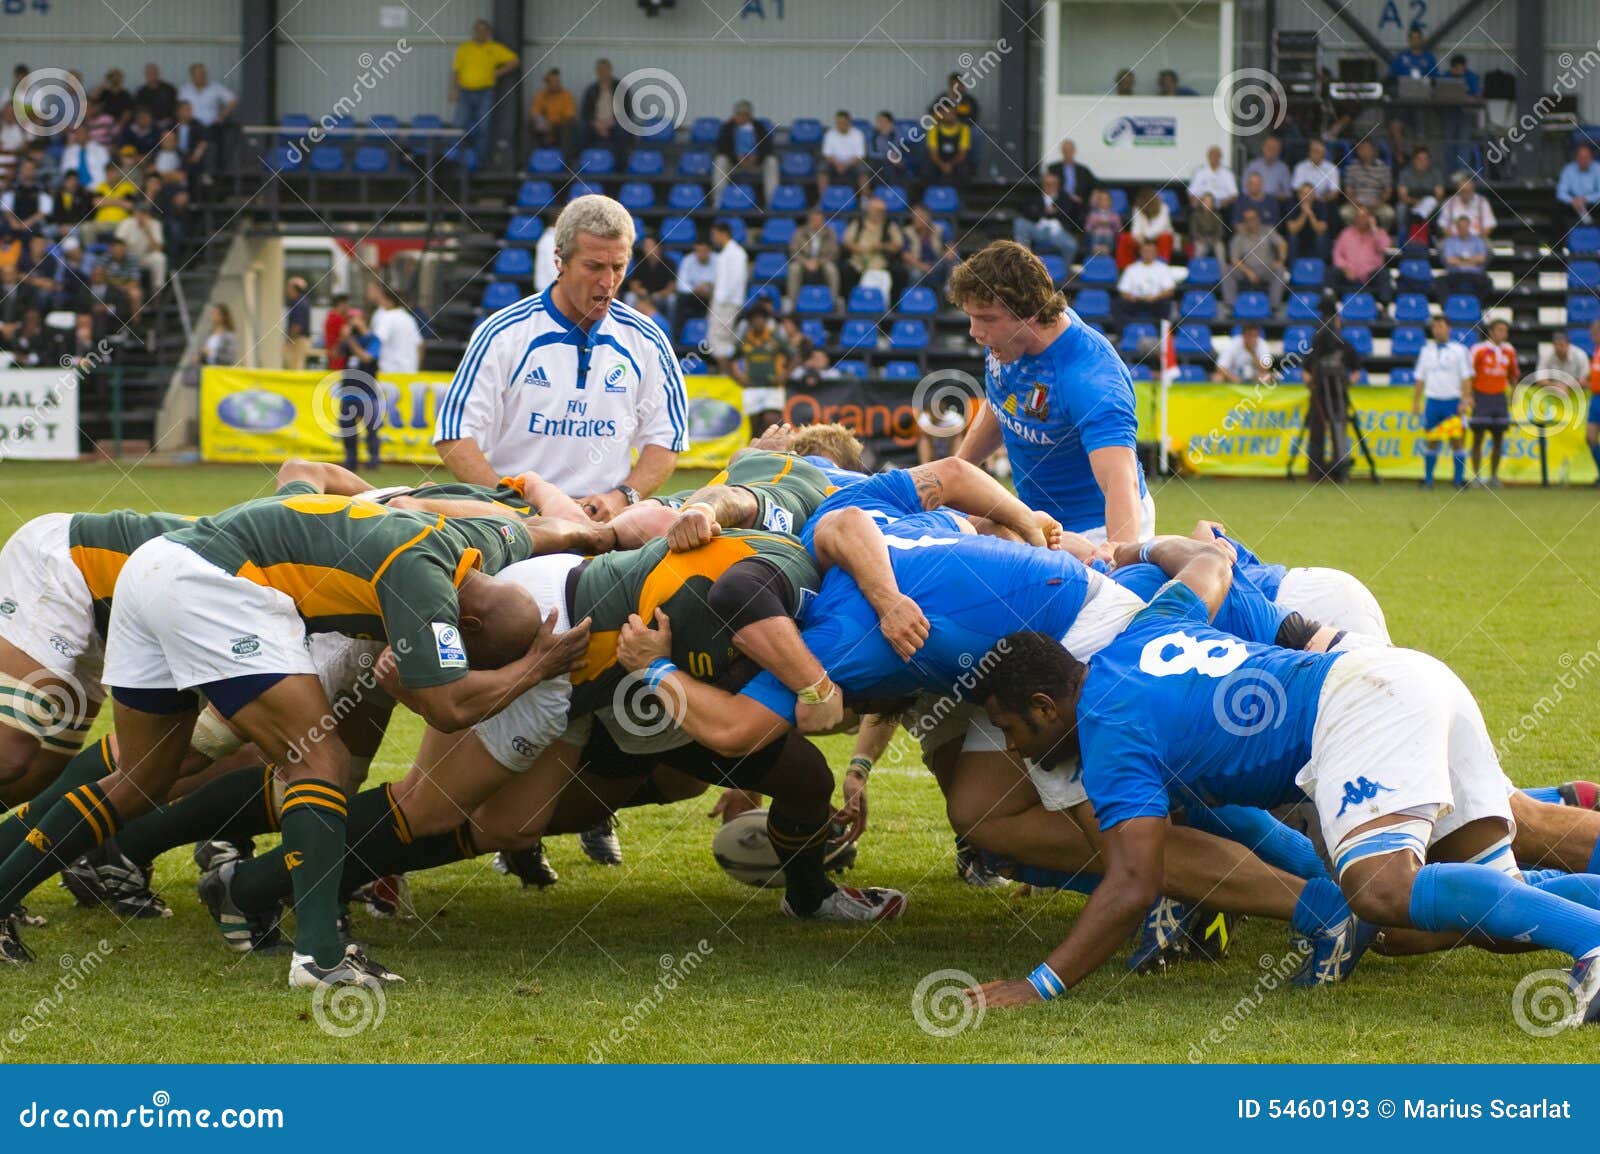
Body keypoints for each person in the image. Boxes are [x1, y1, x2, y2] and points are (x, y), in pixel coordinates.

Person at [968, 544, 1600, 1025]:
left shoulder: (1108, 733)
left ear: (1047, 704)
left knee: (1382, 892)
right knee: (1469, 918)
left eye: (1009, 729)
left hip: (1359, 706)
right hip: (1400, 673)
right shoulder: (1142, 631)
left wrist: (1036, 985)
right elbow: (1213, 560)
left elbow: (1133, 882)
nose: (1013, 750)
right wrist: (1136, 549)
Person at [434, 194, 686, 521]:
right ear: (559, 261)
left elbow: (665, 437)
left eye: (618, 267)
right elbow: (455, 435)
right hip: (521, 526)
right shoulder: (503, 334)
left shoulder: (647, 339)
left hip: (605, 528)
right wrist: (512, 506)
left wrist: (622, 497)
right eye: (594, 266)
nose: (607, 282)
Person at [951, 240, 1152, 542]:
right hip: (1036, 519)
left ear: (1030, 313)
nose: (974, 332)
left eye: (986, 318)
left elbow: (1121, 484)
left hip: (1096, 530)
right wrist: (955, 473)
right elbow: (1003, 405)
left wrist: (1118, 558)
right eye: (972, 317)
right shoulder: (1006, 343)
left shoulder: (1091, 378)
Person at [1413, 316, 1474, 489]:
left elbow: (1466, 377)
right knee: (1432, 440)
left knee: (1456, 440)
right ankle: (1428, 479)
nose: (1437, 329)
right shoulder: (1426, 350)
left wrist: (1464, 399)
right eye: (1434, 326)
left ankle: (1458, 480)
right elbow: (1420, 377)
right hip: (1433, 401)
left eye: (1440, 325)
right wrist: (1416, 401)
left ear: (1448, 328)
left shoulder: (1459, 350)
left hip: (1452, 401)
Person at [1304, 310, 1364, 481]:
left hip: (1338, 396)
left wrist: (1347, 384)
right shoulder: (1316, 346)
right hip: (1319, 397)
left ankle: (1340, 470)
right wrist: (1312, 384)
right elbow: (1306, 371)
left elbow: (1357, 370)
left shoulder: (1346, 345)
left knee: (1339, 431)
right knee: (1317, 433)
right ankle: (1315, 471)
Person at [451, 19, 518, 166]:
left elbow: (514, 60)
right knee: (458, 125)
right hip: (464, 92)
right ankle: (455, 160)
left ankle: (479, 162)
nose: (479, 33)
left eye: (483, 30)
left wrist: (498, 72)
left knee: (483, 127)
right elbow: (456, 71)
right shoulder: (464, 48)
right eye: (477, 30)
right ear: (473, 31)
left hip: (485, 93)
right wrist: (454, 90)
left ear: (488, 33)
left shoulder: (494, 48)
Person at [1468, 318, 1516, 486]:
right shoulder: (1478, 350)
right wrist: (1469, 396)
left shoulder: (1509, 350)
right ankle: (1476, 476)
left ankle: (1494, 476)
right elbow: (1469, 375)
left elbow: (1513, 375)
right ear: (1491, 331)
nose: (1503, 333)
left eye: (1505, 330)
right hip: (1481, 397)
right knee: (1478, 438)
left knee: (1498, 438)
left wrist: (1513, 394)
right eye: (1500, 330)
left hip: (1499, 398)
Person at [731, 302, 790, 433]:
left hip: (772, 387)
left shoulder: (775, 337)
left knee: (771, 421)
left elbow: (794, 357)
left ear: (766, 320)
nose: (758, 321)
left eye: (761, 318)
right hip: (752, 387)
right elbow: (731, 359)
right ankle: (757, 452)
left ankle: (775, 451)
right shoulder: (745, 339)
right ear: (750, 321)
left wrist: (784, 375)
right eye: (754, 318)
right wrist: (738, 376)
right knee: (755, 428)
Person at [337, 307, 383, 471]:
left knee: (371, 430)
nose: (350, 322)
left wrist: (350, 340)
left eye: (353, 319)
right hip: (349, 392)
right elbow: (335, 355)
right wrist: (343, 339)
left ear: (363, 319)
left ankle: (373, 461)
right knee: (348, 431)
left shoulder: (373, 340)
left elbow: (366, 357)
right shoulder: (349, 340)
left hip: (367, 393)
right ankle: (351, 462)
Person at [712, 99, 778, 207]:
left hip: (756, 164)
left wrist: (757, 158)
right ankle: (719, 202)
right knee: (720, 161)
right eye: (739, 114)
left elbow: (768, 148)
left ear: (750, 116)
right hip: (734, 163)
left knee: (772, 162)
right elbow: (721, 148)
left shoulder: (759, 127)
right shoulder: (727, 128)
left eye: (745, 115)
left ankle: (772, 202)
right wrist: (736, 158)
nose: (742, 117)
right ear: (734, 115)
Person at [1221, 209, 1287, 313]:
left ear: (1258, 219)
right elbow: (1234, 259)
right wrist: (1248, 272)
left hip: (1266, 268)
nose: (1251, 222)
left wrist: (1281, 260)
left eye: (1253, 219)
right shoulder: (1239, 236)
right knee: (1227, 269)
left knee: (1280, 269)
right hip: (1246, 270)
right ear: (1244, 222)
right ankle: (1231, 305)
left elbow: (1282, 244)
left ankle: (1274, 306)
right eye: (1247, 220)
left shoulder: (1267, 230)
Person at [1011, 171, 1078, 267]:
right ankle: (1024, 263)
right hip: (1038, 228)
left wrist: (1056, 212)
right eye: (1047, 184)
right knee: (1020, 222)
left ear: (1058, 185)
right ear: (1043, 185)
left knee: (1071, 245)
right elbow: (1026, 211)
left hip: (1057, 231)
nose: (1050, 187)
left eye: (1053, 184)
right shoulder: (1034, 197)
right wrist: (1043, 212)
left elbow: (1071, 214)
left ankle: (1064, 270)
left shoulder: (1064, 198)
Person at [707, 219, 748, 374]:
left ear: (723, 234)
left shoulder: (736, 253)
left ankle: (728, 375)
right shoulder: (724, 254)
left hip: (726, 303)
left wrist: (722, 300)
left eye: (714, 234)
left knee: (720, 341)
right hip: (721, 302)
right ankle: (726, 373)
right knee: (718, 341)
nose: (713, 238)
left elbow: (735, 280)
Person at [841, 196, 902, 296]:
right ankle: (849, 303)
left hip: (882, 262)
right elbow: (847, 242)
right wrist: (860, 249)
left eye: (883, 211)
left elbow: (898, 245)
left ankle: (892, 306)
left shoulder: (890, 226)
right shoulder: (858, 223)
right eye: (878, 210)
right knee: (846, 271)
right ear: (869, 210)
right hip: (858, 261)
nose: (881, 213)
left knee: (899, 272)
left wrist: (882, 246)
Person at [1331, 207, 1392, 303]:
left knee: (1384, 274)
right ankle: (1329, 307)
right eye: (1359, 217)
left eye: (1365, 217)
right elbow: (1337, 254)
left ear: (1371, 218)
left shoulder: (1379, 233)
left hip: (1370, 276)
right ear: (1355, 219)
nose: (1361, 220)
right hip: (1349, 275)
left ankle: (1384, 308)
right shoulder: (1346, 233)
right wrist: (1345, 268)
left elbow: (1384, 247)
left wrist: (1374, 229)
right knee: (1332, 272)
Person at [784, 209, 840, 310]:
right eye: (814, 219)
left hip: (823, 262)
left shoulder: (830, 233)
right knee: (793, 268)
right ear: (809, 220)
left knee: (831, 269)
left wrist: (818, 262)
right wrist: (805, 262)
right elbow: (793, 251)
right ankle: (792, 303)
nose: (816, 222)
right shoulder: (800, 232)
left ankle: (833, 302)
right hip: (803, 262)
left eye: (819, 220)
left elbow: (833, 252)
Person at [368, 280, 424, 376]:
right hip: (410, 375)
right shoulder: (408, 318)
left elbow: (377, 340)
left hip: (390, 376)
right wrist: (415, 368)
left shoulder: (386, 316)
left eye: (382, 298)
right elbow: (420, 344)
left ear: (389, 301)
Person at [1115, 239, 1177, 325]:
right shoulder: (1131, 268)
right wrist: (1132, 297)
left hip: (1156, 301)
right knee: (1119, 303)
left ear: (1156, 253)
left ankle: (1162, 334)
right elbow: (1123, 290)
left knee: (1166, 304)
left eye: (1151, 251)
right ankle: (1122, 334)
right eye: (1145, 251)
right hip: (1136, 301)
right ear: (1140, 252)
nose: (1148, 253)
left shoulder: (1163, 268)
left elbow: (1170, 290)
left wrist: (1155, 297)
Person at [580, 58, 630, 162]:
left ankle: (619, 168)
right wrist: (596, 124)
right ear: (596, 72)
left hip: (615, 124)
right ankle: (585, 164)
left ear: (610, 70)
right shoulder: (591, 90)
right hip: (596, 124)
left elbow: (628, 112)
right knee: (582, 131)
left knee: (622, 132)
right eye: (599, 70)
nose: (602, 72)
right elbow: (585, 112)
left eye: (605, 69)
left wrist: (613, 122)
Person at [625, 234, 677, 329]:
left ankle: (672, 329)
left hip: (661, 297)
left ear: (658, 247)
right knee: (629, 297)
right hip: (644, 297)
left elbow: (672, 286)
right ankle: (629, 329)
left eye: (649, 245)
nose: (646, 248)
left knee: (672, 299)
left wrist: (660, 294)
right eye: (645, 245)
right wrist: (640, 291)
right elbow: (633, 283)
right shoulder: (640, 262)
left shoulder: (669, 262)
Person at [901, 205, 958, 292]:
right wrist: (922, 266)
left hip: (937, 263)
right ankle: (917, 299)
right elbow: (905, 255)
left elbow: (950, 245)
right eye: (914, 217)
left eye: (919, 217)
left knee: (955, 258)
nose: (916, 220)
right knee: (915, 274)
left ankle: (950, 287)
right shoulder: (908, 232)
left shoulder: (940, 229)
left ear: (927, 217)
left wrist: (950, 253)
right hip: (918, 264)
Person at [1340, 139, 1394, 227]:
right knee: (1345, 213)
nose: (1364, 152)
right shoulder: (1352, 167)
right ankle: (1353, 238)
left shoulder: (1383, 167)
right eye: (1361, 149)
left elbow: (1388, 190)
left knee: (1388, 214)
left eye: (1367, 149)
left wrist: (1378, 202)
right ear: (1358, 151)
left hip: (1377, 204)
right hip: (1357, 205)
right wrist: (1357, 203)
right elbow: (1348, 190)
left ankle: (1381, 238)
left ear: (1373, 150)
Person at [1116, 187, 1173, 268]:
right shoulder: (1138, 208)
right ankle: (1126, 268)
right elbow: (1135, 228)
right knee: (1124, 238)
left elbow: (1159, 228)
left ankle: (1162, 266)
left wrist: (1145, 237)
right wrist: (1138, 237)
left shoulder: (1163, 208)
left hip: (1158, 238)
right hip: (1142, 239)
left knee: (1165, 237)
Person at [1045, 138, 1095, 230]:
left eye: (1070, 150)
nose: (1068, 153)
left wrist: (1094, 194)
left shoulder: (1083, 170)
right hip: (1060, 199)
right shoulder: (1053, 168)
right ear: (1062, 152)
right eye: (1065, 150)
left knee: (1081, 209)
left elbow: (1094, 184)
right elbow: (1048, 185)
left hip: (1079, 201)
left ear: (1074, 151)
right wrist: (1068, 196)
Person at [1396, 146, 1444, 240]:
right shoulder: (1405, 173)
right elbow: (1402, 195)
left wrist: (1425, 204)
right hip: (1411, 203)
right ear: (1413, 160)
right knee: (1400, 208)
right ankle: (1402, 237)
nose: (1422, 162)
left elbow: (1439, 194)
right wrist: (1415, 202)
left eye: (1425, 159)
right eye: (1419, 159)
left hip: (1429, 204)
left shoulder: (1435, 173)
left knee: (1441, 206)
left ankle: (1434, 238)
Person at [818, 109, 867, 195]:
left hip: (852, 163)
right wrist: (837, 164)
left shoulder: (858, 134)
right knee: (822, 169)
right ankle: (823, 199)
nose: (840, 125)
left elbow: (860, 156)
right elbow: (827, 155)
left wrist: (846, 165)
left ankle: (865, 199)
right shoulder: (830, 134)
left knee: (863, 170)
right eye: (838, 122)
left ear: (849, 122)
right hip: (834, 163)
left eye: (842, 122)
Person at [529, 68, 577, 156]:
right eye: (552, 81)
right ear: (547, 83)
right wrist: (544, 125)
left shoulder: (566, 95)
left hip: (559, 126)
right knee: (528, 125)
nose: (555, 83)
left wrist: (552, 127)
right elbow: (535, 113)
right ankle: (528, 161)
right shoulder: (541, 95)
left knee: (568, 126)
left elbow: (569, 115)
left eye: (557, 81)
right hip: (544, 126)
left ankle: (567, 162)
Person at [1440, 214, 1490, 298]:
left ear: (1469, 226)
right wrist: (1472, 261)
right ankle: (1448, 308)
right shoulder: (1450, 241)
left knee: (1488, 283)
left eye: (1465, 226)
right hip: (1456, 273)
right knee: (1439, 282)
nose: (1463, 229)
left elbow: (1482, 259)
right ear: (1456, 227)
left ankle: (1478, 309)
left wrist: (1459, 260)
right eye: (1460, 226)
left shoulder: (1477, 241)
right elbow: (1450, 260)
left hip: (1474, 274)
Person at [924, 103, 971, 188]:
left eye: (950, 112)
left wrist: (950, 165)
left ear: (955, 113)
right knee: (927, 168)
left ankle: (960, 197)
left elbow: (962, 154)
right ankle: (932, 195)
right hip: (939, 160)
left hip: (955, 161)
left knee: (964, 170)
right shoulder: (934, 128)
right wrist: (942, 165)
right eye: (944, 112)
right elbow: (932, 153)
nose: (947, 115)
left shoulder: (964, 128)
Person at [1284, 181, 1333, 262]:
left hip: (1314, 238)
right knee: (1292, 238)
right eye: (1304, 194)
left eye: (1310, 194)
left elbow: (1320, 230)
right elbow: (1292, 230)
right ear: (1299, 195)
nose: (1307, 197)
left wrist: (1310, 215)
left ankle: (1319, 267)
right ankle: (1293, 268)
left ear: (1314, 196)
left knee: (1321, 237)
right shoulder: (1292, 204)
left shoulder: (1321, 205)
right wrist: (1304, 214)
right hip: (1299, 239)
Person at [675, 235, 717, 322]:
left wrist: (709, 287)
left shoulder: (718, 260)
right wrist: (695, 289)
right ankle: (677, 334)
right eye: (698, 251)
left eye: (704, 251)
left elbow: (722, 283)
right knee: (680, 299)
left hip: (712, 296)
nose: (701, 254)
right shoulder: (687, 260)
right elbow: (680, 285)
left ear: (710, 250)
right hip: (693, 296)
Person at [1557, 144, 1600, 228]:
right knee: (1557, 208)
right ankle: (1560, 240)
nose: (1584, 160)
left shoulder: (1598, 169)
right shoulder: (1568, 169)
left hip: (1592, 204)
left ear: (1591, 158)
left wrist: (1585, 199)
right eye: (1581, 157)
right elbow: (1560, 192)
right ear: (1576, 158)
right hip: (1572, 204)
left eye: (1587, 157)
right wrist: (1571, 200)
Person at [1187, 146, 1238, 214]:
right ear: (1208, 156)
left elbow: (1234, 194)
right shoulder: (1200, 172)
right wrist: (1198, 201)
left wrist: (1225, 202)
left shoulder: (1227, 173)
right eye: (1212, 155)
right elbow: (1191, 192)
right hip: (1202, 204)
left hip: (1221, 205)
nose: (1215, 157)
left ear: (1220, 157)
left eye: (1217, 155)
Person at [1244, 135, 1293, 202]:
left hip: (1275, 202)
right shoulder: (1252, 165)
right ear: (1263, 148)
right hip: (1253, 201)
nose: (1271, 151)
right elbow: (1244, 189)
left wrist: (1274, 197)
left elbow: (1288, 193)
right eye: (1269, 148)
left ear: (1279, 151)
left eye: (1275, 149)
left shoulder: (1283, 168)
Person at [1290, 138, 1340, 204]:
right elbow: (1296, 188)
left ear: (1324, 153)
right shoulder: (1300, 167)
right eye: (1312, 150)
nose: (1314, 154)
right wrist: (1309, 198)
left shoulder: (1332, 168)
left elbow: (1334, 191)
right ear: (1309, 152)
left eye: (1317, 151)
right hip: (1303, 200)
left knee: (1325, 206)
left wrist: (1324, 198)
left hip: (1323, 201)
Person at [282, 276, 311, 371]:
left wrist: (289, 339)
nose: (287, 290)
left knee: (295, 367)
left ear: (295, 289)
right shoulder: (302, 301)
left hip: (297, 339)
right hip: (298, 339)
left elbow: (297, 325)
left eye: (289, 287)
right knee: (296, 365)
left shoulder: (299, 303)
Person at [1082, 188, 1121, 257]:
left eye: (1106, 200)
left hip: (1109, 236)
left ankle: (1106, 250)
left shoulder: (1114, 215)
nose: (1104, 202)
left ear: (1110, 202)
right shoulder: (1093, 214)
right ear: (1098, 202)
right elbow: (1087, 228)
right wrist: (1095, 223)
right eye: (1101, 200)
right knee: (1095, 236)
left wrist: (1111, 223)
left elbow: (1118, 229)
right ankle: (1096, 249)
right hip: (1096, 236)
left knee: (1109, 237)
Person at [199, 302, 238, 366]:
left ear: (222, 316)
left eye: (215, 313)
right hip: (207, 371)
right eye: (212, 313)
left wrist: (211, 354)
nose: (212, 316)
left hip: (219, 372)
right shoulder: (210, 334)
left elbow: (229, 358)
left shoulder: (229, 336)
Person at [323, 293, 350, 371]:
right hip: (339, 356)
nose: (348, 307)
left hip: (331, 354)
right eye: (347, 305)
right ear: (341, 304)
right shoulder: (339, 319)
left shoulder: (330, 316)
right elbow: (344, 335)